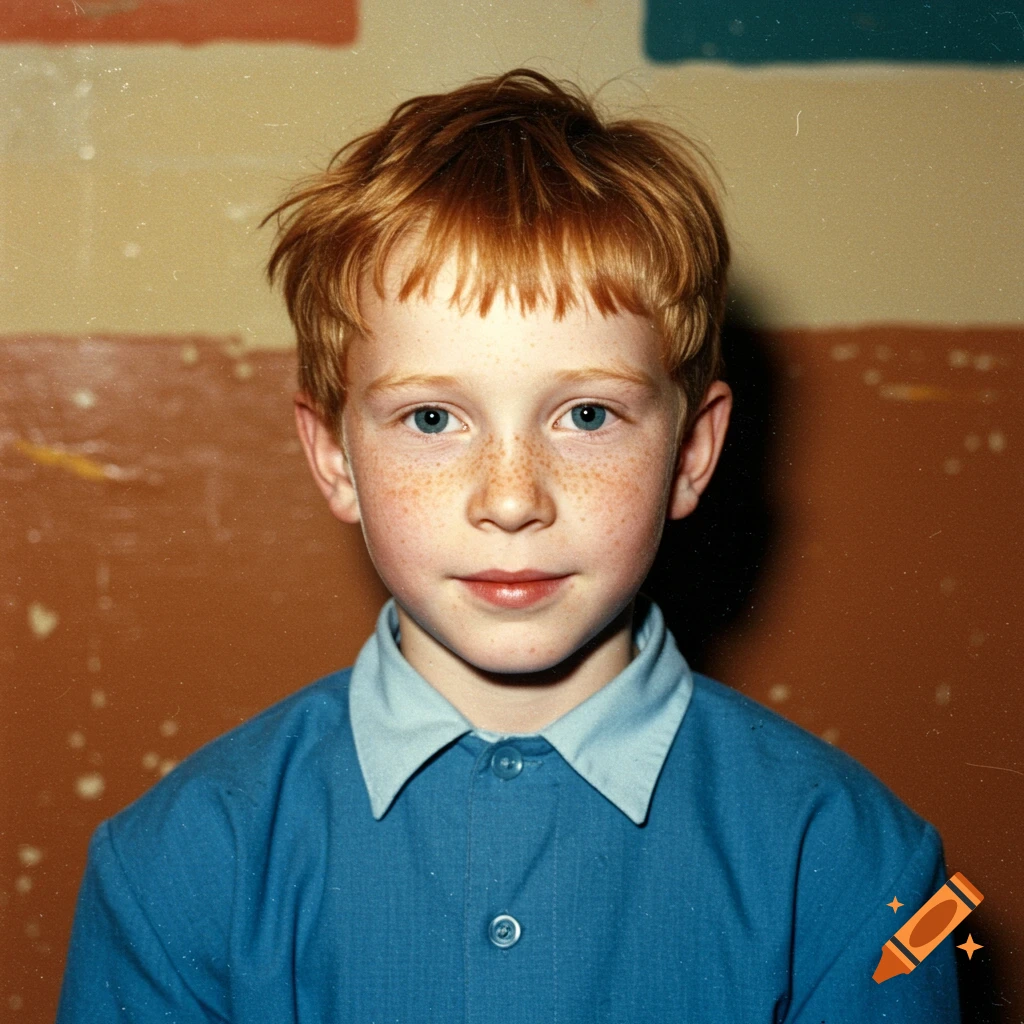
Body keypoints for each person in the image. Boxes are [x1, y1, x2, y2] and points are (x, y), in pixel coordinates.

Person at [57, 69, 960, 1022]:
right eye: (435, 417)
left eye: (585, 413)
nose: (512, 499)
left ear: (692, 452)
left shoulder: (865, 870)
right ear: (332, 457)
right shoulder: (173, 868)